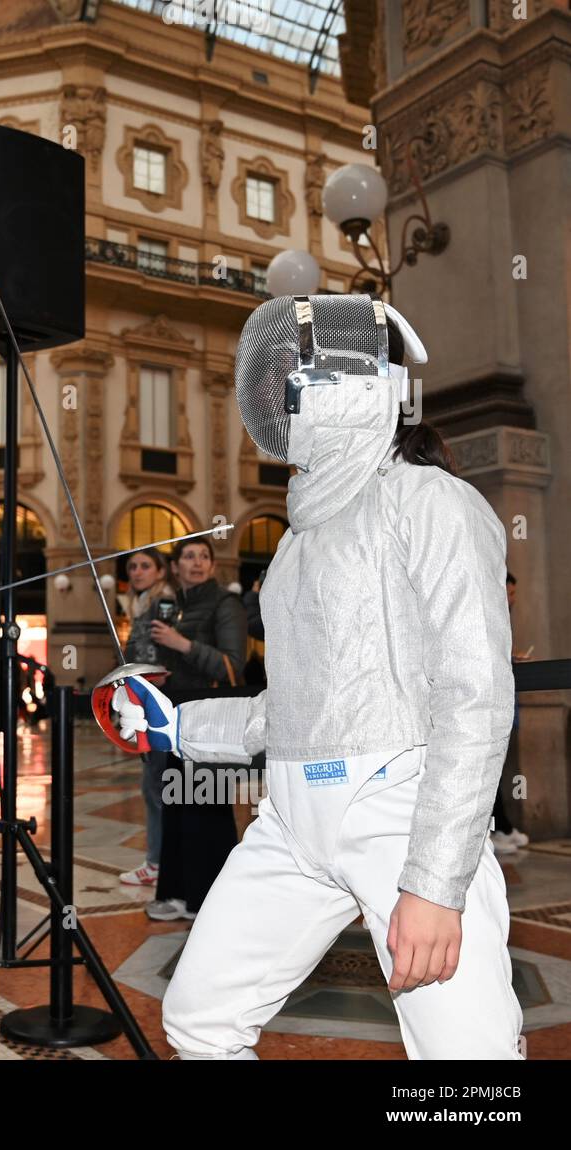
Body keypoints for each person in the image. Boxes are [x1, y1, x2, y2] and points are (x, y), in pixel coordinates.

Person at [109, 296, 523, 1059]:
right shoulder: (297, 546)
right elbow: (286, 715)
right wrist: (174, 724)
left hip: (402, 816)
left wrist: (434, 883)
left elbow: (477, 696)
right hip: (293, 822)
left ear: (352, 381)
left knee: (472, 1069)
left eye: (283, 382)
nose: (268, 403)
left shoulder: (431, 502)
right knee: (199, 1021)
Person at [143, 537, 247, 921]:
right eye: (189, 556)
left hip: (212, 724)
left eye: (205, 556)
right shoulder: (173, 607)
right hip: (176, 720)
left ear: (213, 565)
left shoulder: (225, 604)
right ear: (175, 566)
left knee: (207, 810)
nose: (198, 562)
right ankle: (178, 896)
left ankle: (208, 900)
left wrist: (182, 645)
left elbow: (233, 666)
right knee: (177, 806)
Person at [116, 548, 177, 888]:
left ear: (160, 571)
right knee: (154, 787)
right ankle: (160, 860)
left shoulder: (161, 605)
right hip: (145, 704)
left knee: (156, 789)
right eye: (132, 567)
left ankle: (157, 862)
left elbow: (161, 658)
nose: (137, 572)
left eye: (145, 566)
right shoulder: (141, 606)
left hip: (158, 707)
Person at [491, 572, 530, 855]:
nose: (513, 599)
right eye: (510, 592)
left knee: (500, 773)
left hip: (507, 706)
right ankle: (497, 830)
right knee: (492, 775)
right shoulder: (487, 615)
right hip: (491, 708)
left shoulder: (502, 619)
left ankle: (503, 827)